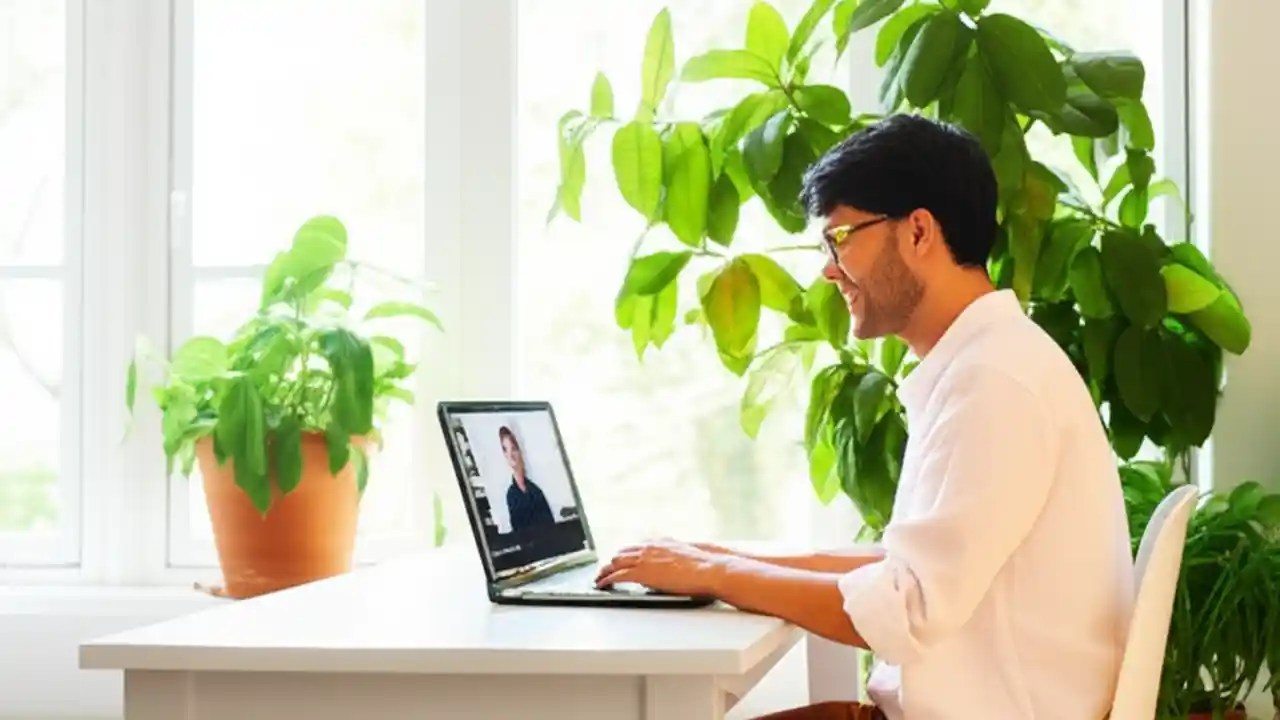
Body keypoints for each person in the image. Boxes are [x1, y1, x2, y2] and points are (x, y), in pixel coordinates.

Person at [595, 115, 1135, 719]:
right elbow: (904, 568)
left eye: (840, 238)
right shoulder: (991, 360)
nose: (829, 268)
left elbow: (906, 607)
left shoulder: (994, 381)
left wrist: (716, 572)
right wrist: (717, 561)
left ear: (919, 231)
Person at [499, 425, 556, 532]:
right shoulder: (511, 495)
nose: (511, 455)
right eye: (506, 450)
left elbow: (551, 526)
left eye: (513, 449)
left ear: (520, 451)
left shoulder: (536, 491)